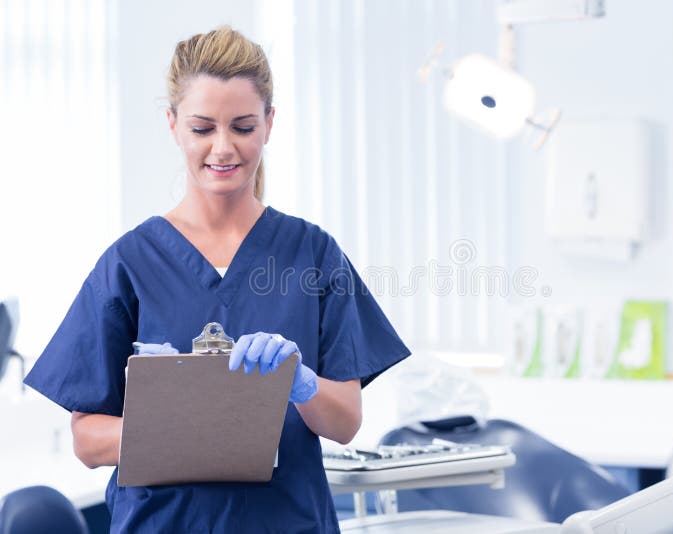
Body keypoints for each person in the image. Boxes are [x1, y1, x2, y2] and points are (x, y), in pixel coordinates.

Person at [23, 26, 410, 533]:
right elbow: (87, 441)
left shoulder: (312, 254)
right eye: (203, 128)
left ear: (269, 124)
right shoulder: (131, 263)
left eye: (243, 127)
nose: (223, 148)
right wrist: (173, 422)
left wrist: (301, 383)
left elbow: (344, 422)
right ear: (173, 125)